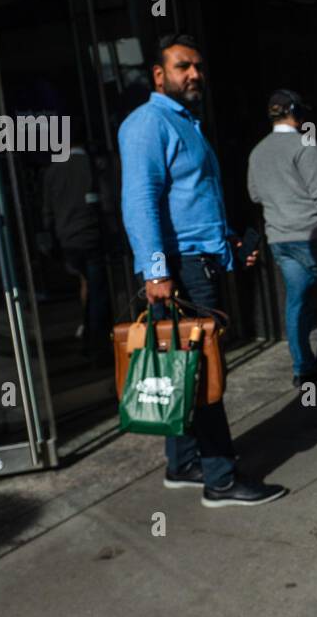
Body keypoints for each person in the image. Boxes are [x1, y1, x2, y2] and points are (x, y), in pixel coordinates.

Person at [119, 33, 286, 508]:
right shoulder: (148, 124)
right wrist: (155, 270)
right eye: (181, 66)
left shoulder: (185, 123)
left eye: (197, 66)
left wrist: (230, 244)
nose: (193, 74)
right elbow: (139, 201)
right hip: (177, 267)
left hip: (196, 260)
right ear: (159, 75)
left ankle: (184, 462)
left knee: (183, 366)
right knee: (203, 369)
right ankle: (221, 478)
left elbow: (193, 203)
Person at [247, 89, 317, 387]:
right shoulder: (304, 143)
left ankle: (303, 368)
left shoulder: (257, 151)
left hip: (279, 239)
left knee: (297, 298)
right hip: (311, 234)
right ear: (294, 111)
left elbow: (255, 194)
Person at [40, 145, 111, 363]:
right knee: (97, 291)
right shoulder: (89, 166)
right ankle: (97, 342)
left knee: (86, 284)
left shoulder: (52, 171)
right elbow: (106, 203)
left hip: (67, 239)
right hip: (89, 236)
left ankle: (89, 333)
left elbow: (47, 212)